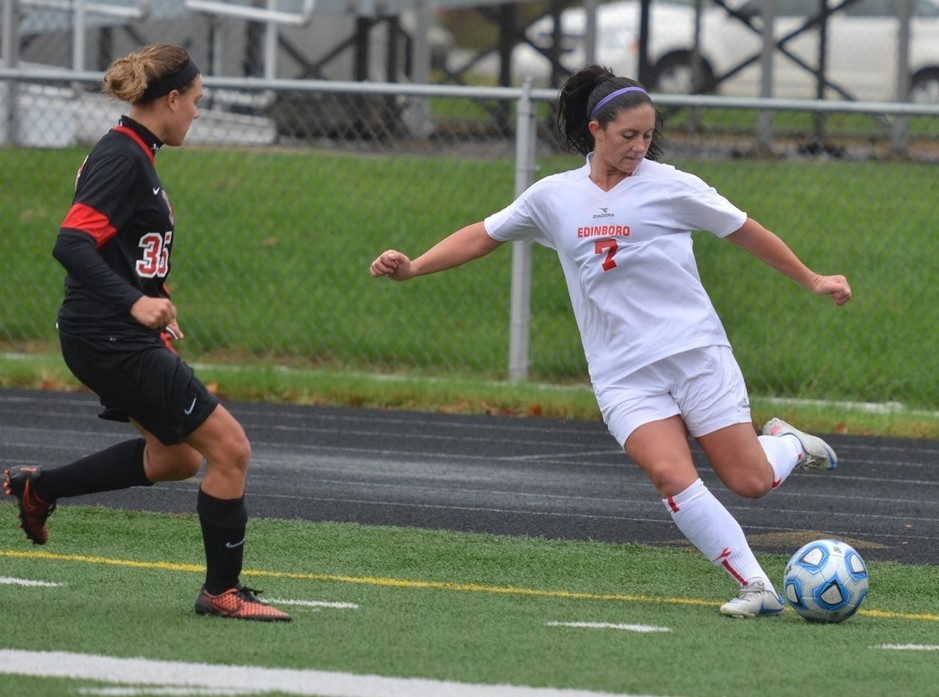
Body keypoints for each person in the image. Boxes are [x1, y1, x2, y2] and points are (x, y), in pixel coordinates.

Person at [369, 65, 852, 618]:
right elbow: (483, 235)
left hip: (695, 354)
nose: (640, 147)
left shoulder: (673, 185)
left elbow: (746, 231)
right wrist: (413, 267)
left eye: (648, 135)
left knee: (750, 481)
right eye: (628, 135)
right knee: (670, 474)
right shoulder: (554, 197)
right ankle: (756, 587)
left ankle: (788, 445)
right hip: (622, 375)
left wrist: (813, 279)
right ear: (596, 130)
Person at [2, 43, 290, 622]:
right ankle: (222, 592)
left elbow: (120, 246)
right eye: (197, 100)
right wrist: (134, 302)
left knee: (176, 458)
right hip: (109, 335)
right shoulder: (122, 157)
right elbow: (71, 244)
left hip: (109, 332)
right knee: (231, 449)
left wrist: (152, 293)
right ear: (172, 98)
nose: (198, 112)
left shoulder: (134, 151)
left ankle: (40, 488)